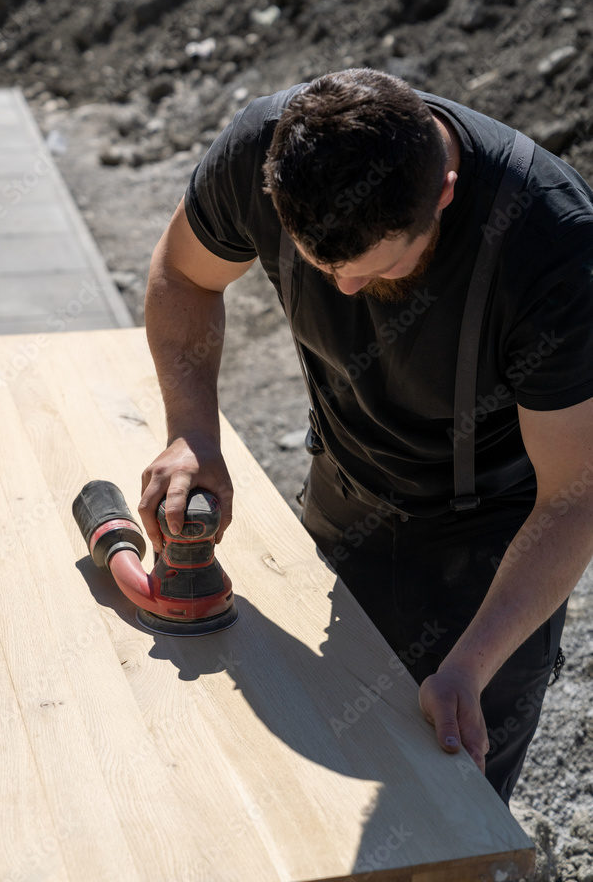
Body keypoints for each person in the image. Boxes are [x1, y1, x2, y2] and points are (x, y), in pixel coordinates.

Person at [138, 68, 593, 803]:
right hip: (342, 496)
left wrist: (468, 666)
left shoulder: (550, 244)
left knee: (452, 815)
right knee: (322, 776)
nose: (345, 291)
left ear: (443, 193)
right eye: (325, 267)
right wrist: (192, 434)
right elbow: (186, 277)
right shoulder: (264, 149)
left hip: (485, 553)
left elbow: (573, 497)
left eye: (377, 268)